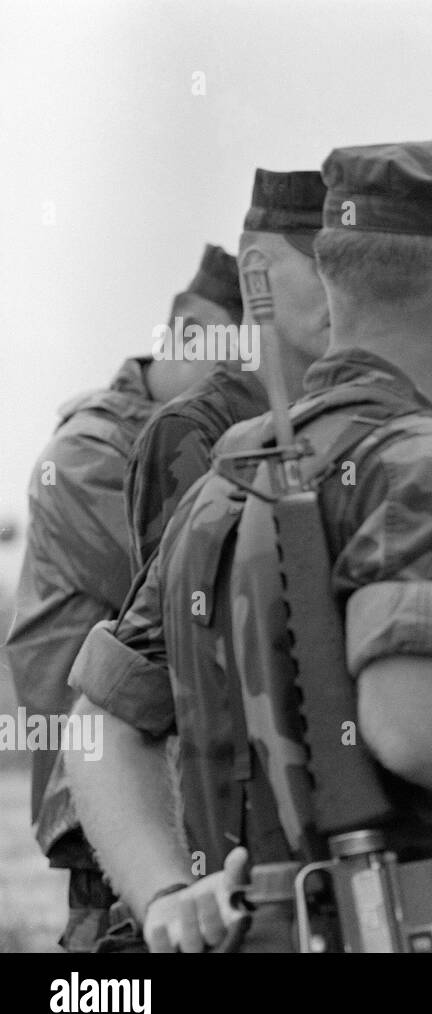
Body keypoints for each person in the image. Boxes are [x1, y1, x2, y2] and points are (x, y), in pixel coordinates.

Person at [66, 129, 432, 953]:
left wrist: (166, 896)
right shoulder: (421, 460)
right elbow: (413, 722)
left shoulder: (230, 473)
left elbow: (100, 720)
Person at [2, 244, 237, 951]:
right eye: (240, 361)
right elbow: (208, 589)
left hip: (174, 820)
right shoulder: (91, 454)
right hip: (112, 835)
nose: (254, 386)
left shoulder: (179, 445)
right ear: (193, 334)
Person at [124, 169, 330, 570]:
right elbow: (181, 616)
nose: (341, 286)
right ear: (257, 273)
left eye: (347, 267)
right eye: (321, 267)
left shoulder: (340, 415)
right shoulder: (192, 429)